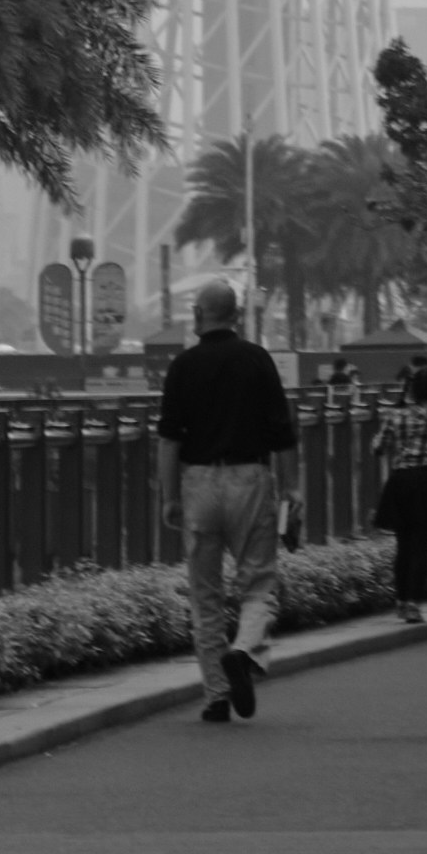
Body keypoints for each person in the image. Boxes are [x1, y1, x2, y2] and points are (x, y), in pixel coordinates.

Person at [157, 275, 297, 726]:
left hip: (198, 482)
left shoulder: (182, 366)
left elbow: (167, 442)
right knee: (258, 585)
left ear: (198, 316)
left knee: (205, 595)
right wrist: (291, 492)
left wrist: (169, 497)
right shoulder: (257, 360)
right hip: (250, 479)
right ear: (236, 315)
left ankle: (216, 695)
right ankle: (244, 650)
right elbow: (283, 434)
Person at [374, 355, 427, 627]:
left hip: (400, 481)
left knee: (403, 543)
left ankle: (400, 601)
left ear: (411, 389)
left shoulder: (394, 416)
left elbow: (378, 448)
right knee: (422, 546)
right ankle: (413, 602)